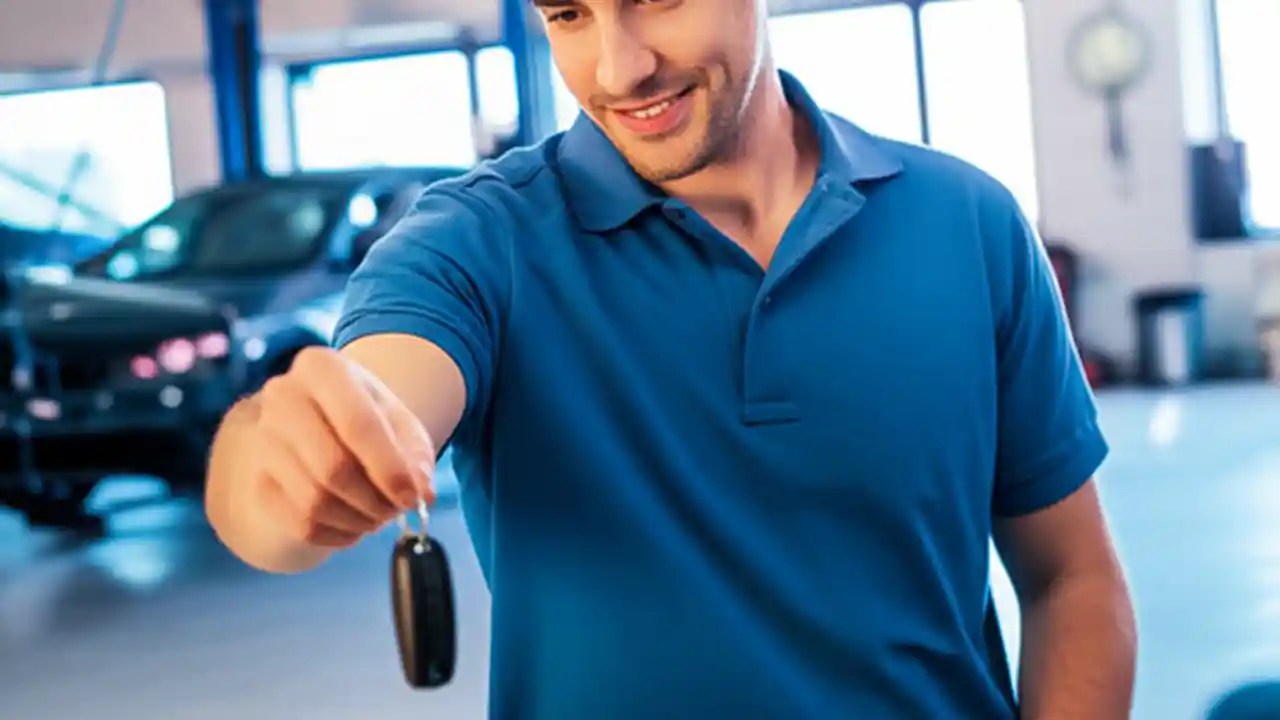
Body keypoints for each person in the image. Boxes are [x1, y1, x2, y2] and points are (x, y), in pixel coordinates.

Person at [205, 0, 1138, 717]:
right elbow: (361, 408)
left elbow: (1072, 577)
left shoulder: (966, 223)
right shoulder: (481, 243)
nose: (620, 68)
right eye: (568, 14)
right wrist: (285, 464)